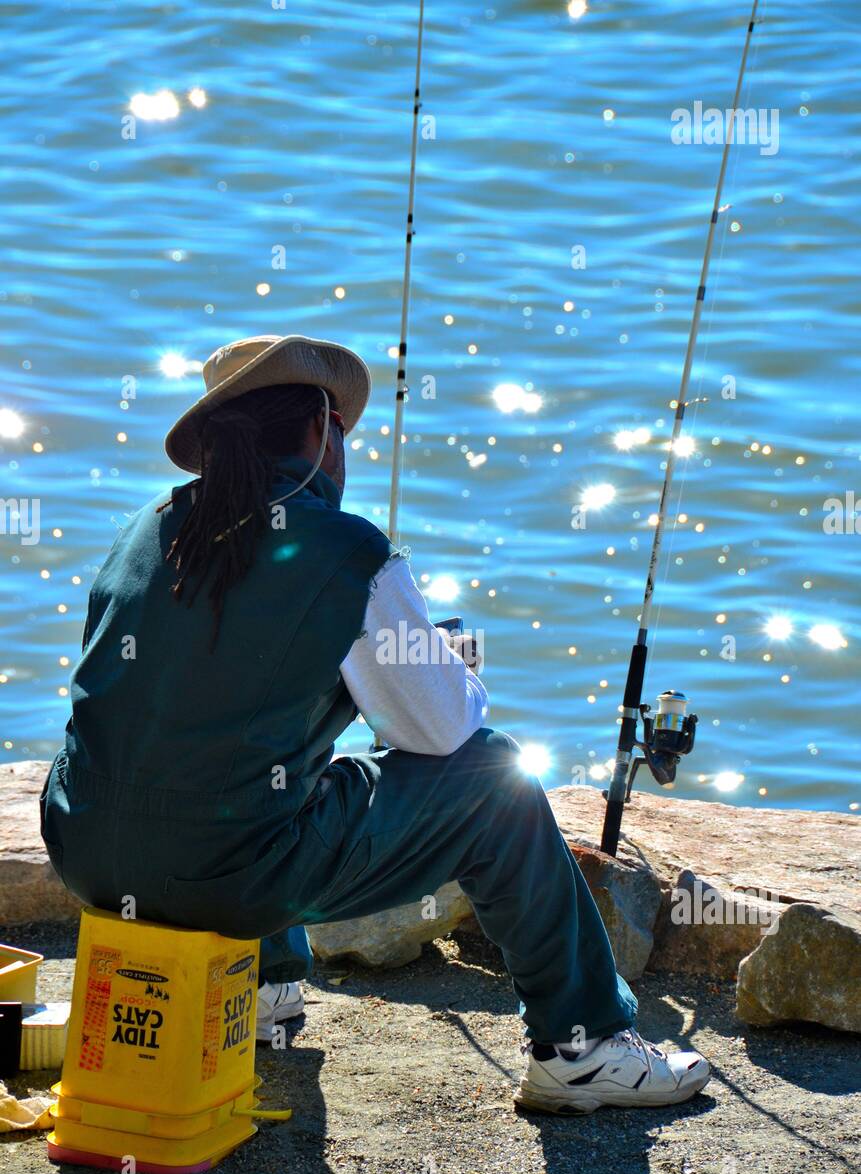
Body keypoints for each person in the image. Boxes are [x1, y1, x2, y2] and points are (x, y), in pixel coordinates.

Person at [40, 333, 710, 1115]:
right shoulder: (346, 550)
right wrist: (449, 666)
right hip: (225, 876)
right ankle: (582, 1048)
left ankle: (260, 994)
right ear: (322, 428)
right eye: (345, 434)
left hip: (85, 850)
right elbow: (441, 734)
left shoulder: (141, 531)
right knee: (494, 779)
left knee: (258, 767)